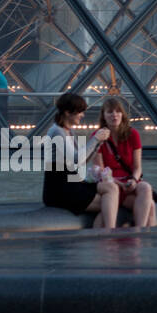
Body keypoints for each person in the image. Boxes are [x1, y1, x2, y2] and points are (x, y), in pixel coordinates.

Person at [42, 92, 119, 229]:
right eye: (79, 112)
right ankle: (108, 234)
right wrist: (95, 139)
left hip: (72, 183)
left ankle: (105, 235)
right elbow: (77, 160)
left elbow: (82, 162)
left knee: (111, 190)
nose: (82, 115)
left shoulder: (69, 131)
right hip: (60, 189)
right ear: (67, 112)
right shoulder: (57, 132)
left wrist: (98, 145)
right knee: (110, 203)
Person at [94, 95, 157, 228]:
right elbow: (99, 170)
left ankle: (138, 232)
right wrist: (119, 184)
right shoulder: (97, 136)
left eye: (118, 111)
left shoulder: (133, 134)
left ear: (123, 114)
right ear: (103, 116)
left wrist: (134, 180)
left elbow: (138, 167)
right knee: (150, 205)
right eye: (110, 112)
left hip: (129, 183)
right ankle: (142, 239)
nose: (114, 115)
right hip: (110, 184)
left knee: (145, 187)